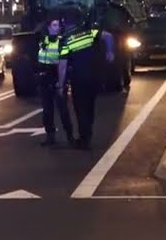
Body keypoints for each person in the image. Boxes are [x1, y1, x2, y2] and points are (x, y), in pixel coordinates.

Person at [56, 11, 115, 150]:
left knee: (80, 108)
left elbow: (63, 65)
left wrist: (61, 84)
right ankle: (88, 132)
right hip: (94, 76)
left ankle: (84, 139)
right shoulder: (89, 32)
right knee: (89, 106)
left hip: (78, 79)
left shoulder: (65, 40)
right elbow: (108, 36)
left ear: (66, 23)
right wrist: (110, 51)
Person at [36, 16, 74, 147]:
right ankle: (50, 136)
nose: (56, 27)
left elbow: (63, 65)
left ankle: (70, 136)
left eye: (58, 25)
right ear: (48, 27)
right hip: (44, 79)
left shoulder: (62, 42)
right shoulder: (43, 40)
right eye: (54, 25)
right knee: (47, 111)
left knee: (63, 110)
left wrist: (61, 83)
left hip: (56, 79)